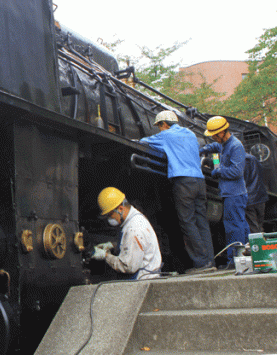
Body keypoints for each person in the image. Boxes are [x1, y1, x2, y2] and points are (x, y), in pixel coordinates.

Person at [139, 110, 215, 273]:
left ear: (164, 124)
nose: (159, 129)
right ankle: (210, 260)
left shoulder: (166, 135)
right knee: (201, 221)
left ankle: (201, 263)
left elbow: (144, 141)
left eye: (159, 126)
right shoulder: (191, 134)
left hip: (184, 181)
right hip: (200, 182)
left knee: (187, 221)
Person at [199, 116, 249, 269]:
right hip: (230, 193)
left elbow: (237, 171)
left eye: (214, 135)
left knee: (234, 227)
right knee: (238, 226)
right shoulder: (223, 144)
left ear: (222, 132)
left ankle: (235, 261)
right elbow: (215, 147)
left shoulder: (235, 146)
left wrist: (218, 172)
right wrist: (204, 149)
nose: (213, 138)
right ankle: (243, 258)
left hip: (235, 193)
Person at [92, 186, 162, 280]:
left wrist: (105, 256)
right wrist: (112, 245)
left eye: (110, 215)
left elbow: (127, 267)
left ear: (120, 209)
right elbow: (136, 245)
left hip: (142, 281)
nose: (109, 219)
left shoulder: (134, 229)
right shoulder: (135, 217)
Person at [244, 152, 266, 234]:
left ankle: (257, 245)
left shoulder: (239, 160)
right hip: (260, 197)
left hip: (249, 198)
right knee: (259, 226)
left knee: (253, 227)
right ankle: (263, 243)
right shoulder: (254, 158)